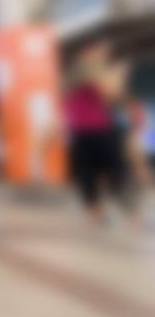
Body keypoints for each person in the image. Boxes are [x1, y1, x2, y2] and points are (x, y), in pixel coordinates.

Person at [64, 41, 132, 224]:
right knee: (116, 168)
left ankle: (95, 212)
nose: (104, 54)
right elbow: (111, 93)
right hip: (98, 128)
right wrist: (120, 73)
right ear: (88, 50)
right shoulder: (91, 70)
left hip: (80, 129)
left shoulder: (73, 73)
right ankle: (128, 212)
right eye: (101, 50)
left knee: (87, 172)